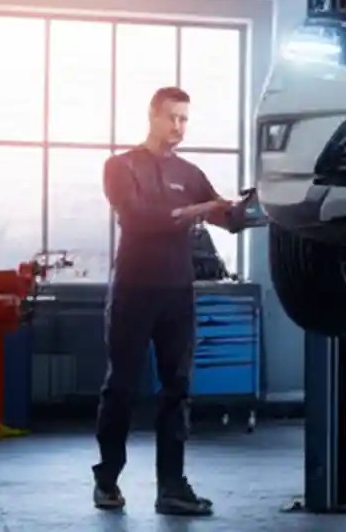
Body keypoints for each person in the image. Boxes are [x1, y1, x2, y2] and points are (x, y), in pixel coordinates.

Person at [91, 86, 242, 516]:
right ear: (153, 116)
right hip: (134, 292)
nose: (178, 127)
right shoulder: (121, 166)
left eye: (184, 119)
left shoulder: (190, 173)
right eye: (171, 117)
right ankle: (107, 480)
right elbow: (138, 218)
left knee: (178, 388)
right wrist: (196, 211)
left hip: (178, 294)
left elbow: (225, 217)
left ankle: (172, 487)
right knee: (120, 385)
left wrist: (257, 205)